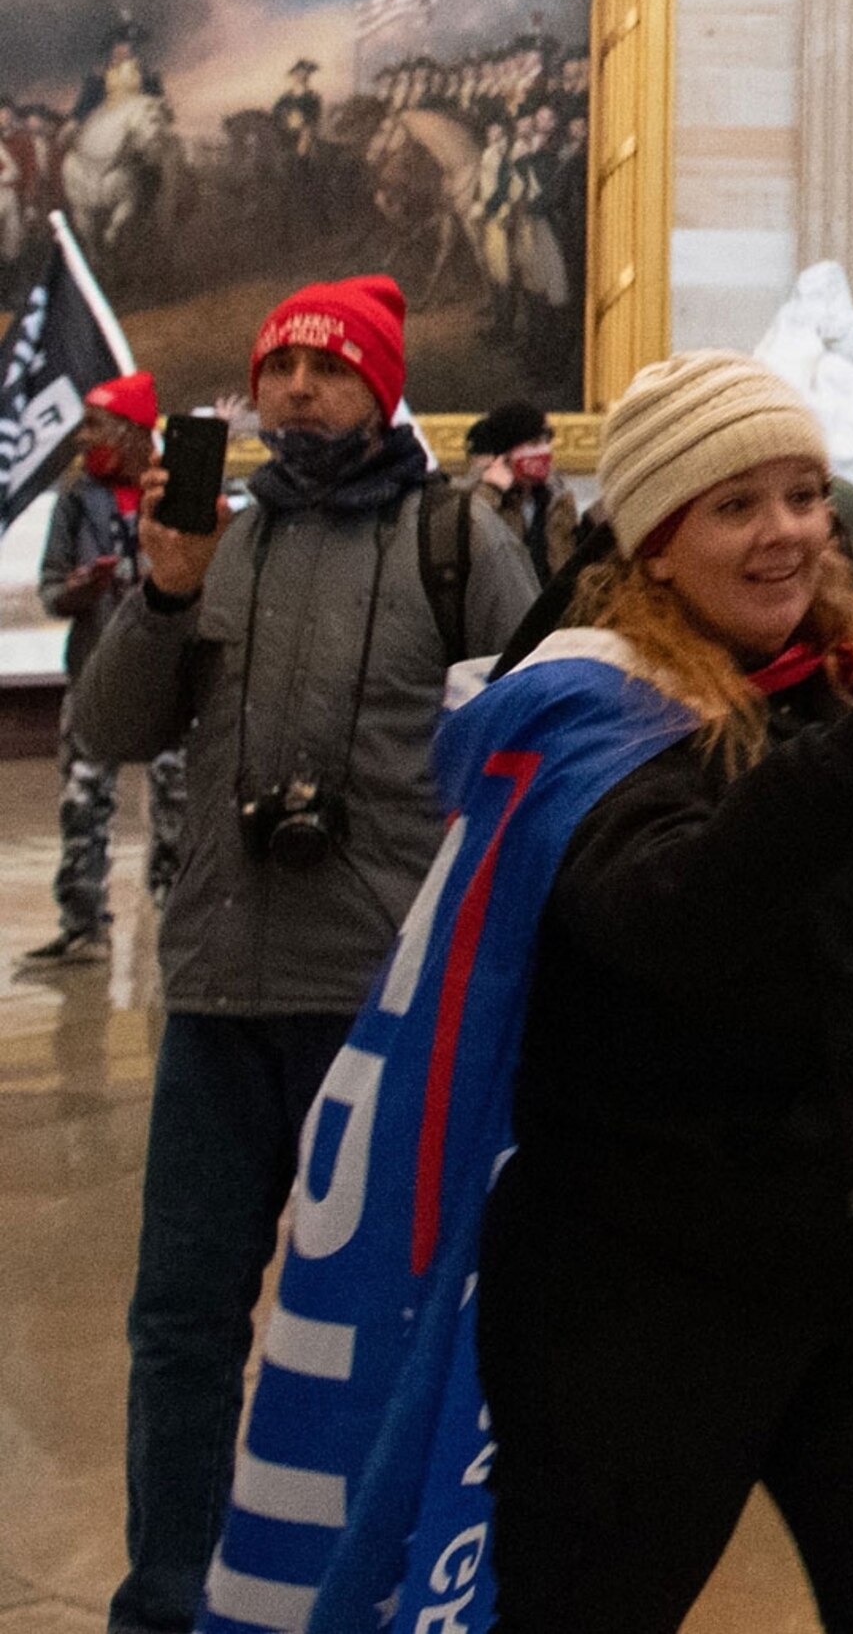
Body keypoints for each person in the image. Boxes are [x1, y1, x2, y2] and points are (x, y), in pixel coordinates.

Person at [476, 351, 853, 1624]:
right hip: (662, 1275)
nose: (786, 533)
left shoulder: (844, 670)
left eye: (802, 494)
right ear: (655, 543)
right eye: (735, 506)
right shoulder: (588, 704)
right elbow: (674, 912)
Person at [71, 278, 537, 1634]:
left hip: (384, 1005)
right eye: (276, 366)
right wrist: (162, 591)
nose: (292, 390)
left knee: (386, 1325)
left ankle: (371, 1583)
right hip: (220, 989)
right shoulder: (212, 537)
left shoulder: (459, 536)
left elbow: (527, 726)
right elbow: (106, 729)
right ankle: (167, 1592)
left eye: (324, 369)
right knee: (182, 1319)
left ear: (380, 385)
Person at [23, 371, 182, 968]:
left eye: (96, 424)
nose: (84, 437)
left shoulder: (178, 490)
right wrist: (79, 588)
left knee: (178, 808)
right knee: (82, 803)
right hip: (93, 676)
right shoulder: (74, 498)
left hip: (169, 684)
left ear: (135, 432)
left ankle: (172, 923)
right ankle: (83, 924)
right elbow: (49, 592)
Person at [463, 398, 580, 588]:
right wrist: (491, 494)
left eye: (546, 441)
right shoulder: (476, 500)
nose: (544, 450)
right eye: (534, 443)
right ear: (505, 453)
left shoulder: (558, 498)